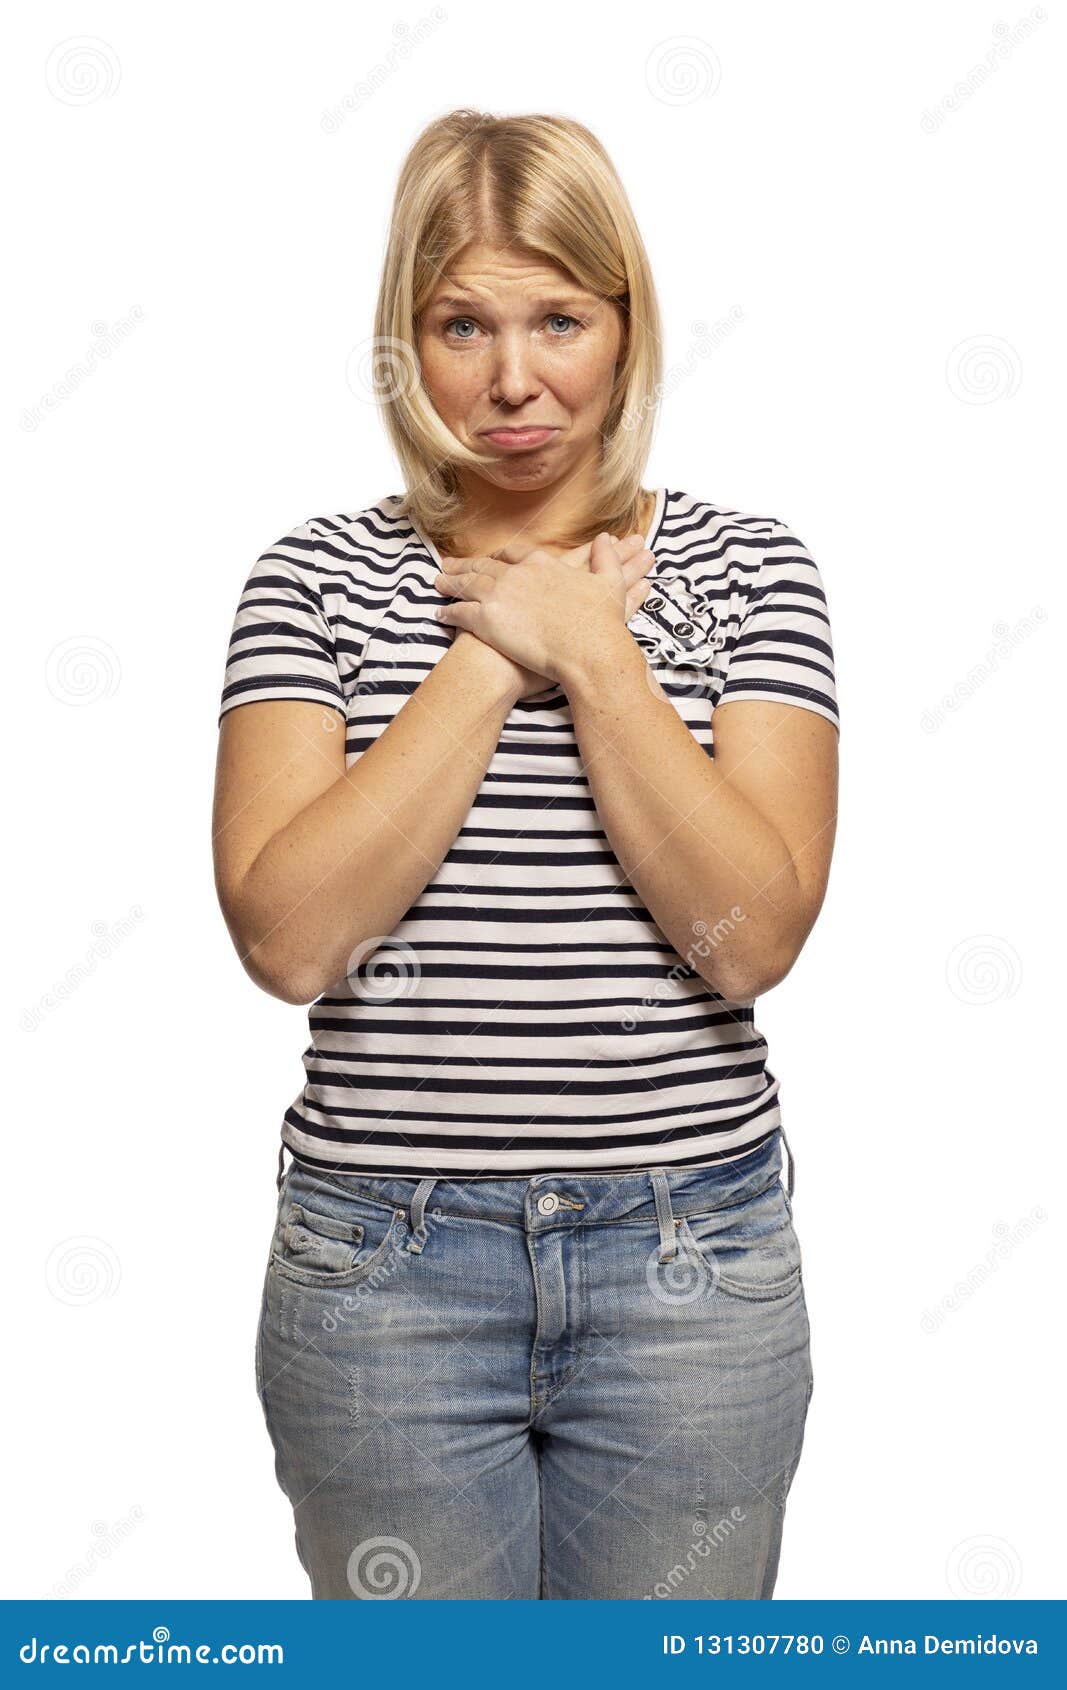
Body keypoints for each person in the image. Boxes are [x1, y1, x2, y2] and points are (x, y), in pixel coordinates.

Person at [212, 109, 839, 1601]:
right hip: (384, 1270)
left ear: (625, 324)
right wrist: (495, 658)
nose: (512, 379)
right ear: (403, 341)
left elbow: (749, 934)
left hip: (691, 1258)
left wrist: (594, 654)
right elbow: (290, 937)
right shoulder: (312, 578)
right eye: (460, 324)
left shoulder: (752, 571)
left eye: (559, 316)